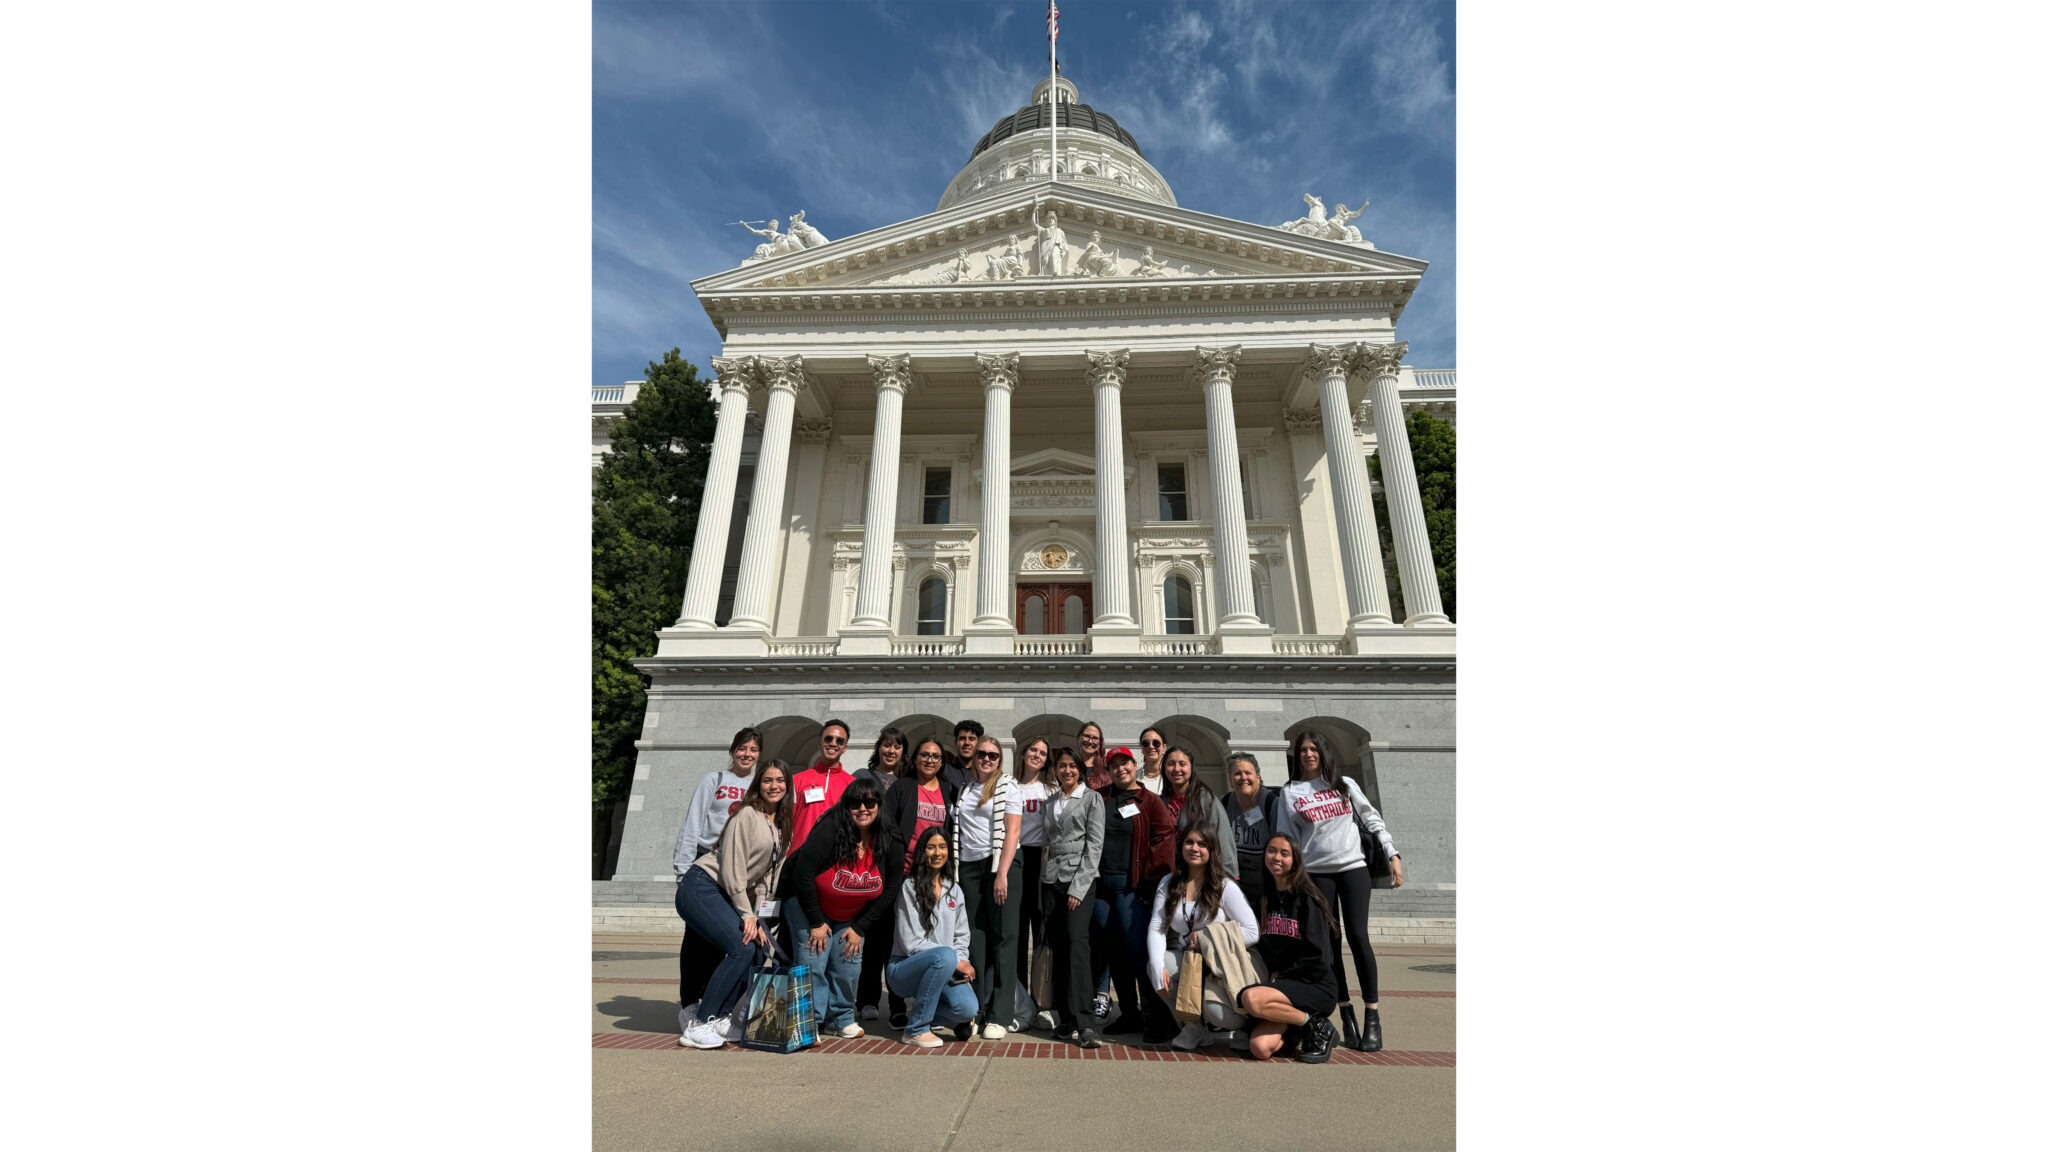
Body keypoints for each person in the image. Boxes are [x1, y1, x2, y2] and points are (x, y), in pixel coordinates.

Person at [1280, 728, 1405, 1052]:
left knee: (1359, 938)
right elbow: (1286, 837)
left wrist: (1392, 854)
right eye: (1303, 750)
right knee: (1329, 945)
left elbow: (1371, 818)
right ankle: (1345, 1012)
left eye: (1314, 748)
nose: (1308, 754)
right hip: (1316, 874)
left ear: (1323, 752)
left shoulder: (1344, 785)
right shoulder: (1291, 791)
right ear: (1297, 755)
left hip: (1353, 868)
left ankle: (1372, 1017)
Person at [673, 760, 792, 1049]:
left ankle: (721, 1019)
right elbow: (732, 868)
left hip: (726, 893)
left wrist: (760, 921)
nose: (773, 786)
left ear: (788, 785)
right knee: (740, 949)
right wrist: (746, 914)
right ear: (758, 785)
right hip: (702, 885)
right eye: (767, 780)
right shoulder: (747, 815)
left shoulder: (779, 825)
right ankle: (699, 1023)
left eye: (779, 780)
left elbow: (765, 880)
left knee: (755, 951)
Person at [779, 778, 905, 1038]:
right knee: (814, 960)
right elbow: (802, 875)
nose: (862, 808)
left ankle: (841, 1017)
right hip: (807, 902)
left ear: (880, 805)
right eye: (854, 802)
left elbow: (891, 888)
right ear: (845, 806)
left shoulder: (889, 838)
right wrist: (815, 922)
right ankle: (809, 1021)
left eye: (870, 802)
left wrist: (861, 927)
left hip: (850, 912)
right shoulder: (831, 830)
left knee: (849, 963)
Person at [671, 726, 761, 1021]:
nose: (747, 754)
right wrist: (683, 871)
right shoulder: (716, 779)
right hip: (705, 862)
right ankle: (689, 1002)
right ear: (733, 751)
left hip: (737, 873)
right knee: (696, 939)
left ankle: (709, 999)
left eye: (753, 750)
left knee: (724, 940)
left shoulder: (758, 787)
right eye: (742, 748)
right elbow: (693, 822)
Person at [1090, 745, 1177, 1043]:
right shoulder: (1100, 798)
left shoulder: (1149, 800)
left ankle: (1157, 1016)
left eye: (1124, 764)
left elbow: (1164, 837)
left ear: (1133, 765)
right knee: (1113, 950)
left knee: (1138, 951)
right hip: (1102, 887)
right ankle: (1130, 1012)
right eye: (1113, 766)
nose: (1119, 769)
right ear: (1108, 769)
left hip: (1132, 887)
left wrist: (1150, 878)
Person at [1146, 824, 1260, 1050]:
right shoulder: (1169, 882)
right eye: (1189, 842)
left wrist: (1207, 939)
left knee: (1216, 1012)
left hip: (1223, 964)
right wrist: (1158, 966)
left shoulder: (1224, 885)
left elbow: (1252, 931)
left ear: (1212, 850)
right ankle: (1193, 1027)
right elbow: (1157, 927)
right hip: (1189, 961)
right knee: (1157, 966)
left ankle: (1243, 1026)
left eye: (1202, 844)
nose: (1194, 848)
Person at [1239, 832, 1342, 1063]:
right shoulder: (1263, 899)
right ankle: (1303, 1026)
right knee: (1260, 1048)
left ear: (1295, 859)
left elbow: (1320, 956)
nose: (1276, 857)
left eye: (1284, 853)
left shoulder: (1308, 898)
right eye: (1272, 851)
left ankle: (1317, 1024)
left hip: (1314, 984)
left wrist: (1281, 977)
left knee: (1252, 999)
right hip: (1282, 988)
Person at [879, 736, 959, 1028]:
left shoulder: (950, 791)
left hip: (936, 872)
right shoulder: (902, 787)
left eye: (936, 756)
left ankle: (931, 1001)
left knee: (935, 934)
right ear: (915, 759)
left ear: (942, 762)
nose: (930, 760)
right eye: (924, 755)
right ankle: (897, 1005)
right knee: (899, 939)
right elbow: (887, 827)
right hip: (905, 873)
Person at [956, 736, 1024, 1038]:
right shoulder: (965, 789)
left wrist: (1002, 873)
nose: (987, 759)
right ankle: (975, 1009)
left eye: (993, 755)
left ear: (1000, 760)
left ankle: (1001, 1013)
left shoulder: (1009, 786)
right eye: (982, 754)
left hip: (1001, 865)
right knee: (974, 938)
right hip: (969, 867)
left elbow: (1013, 831)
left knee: (1004, 939)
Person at [888, 827, 980, 1046]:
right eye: (931, 847)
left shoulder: (954, 889)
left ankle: (922, 1014)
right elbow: (911, 943)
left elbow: (961, 935)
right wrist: (953, 959)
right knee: (946, 956)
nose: (937, 853)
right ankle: (915, 1029)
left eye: (942, 847)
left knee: (968, 1008)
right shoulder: (909, 887)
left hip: (945, 967)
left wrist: (959, 960)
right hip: (903, 968)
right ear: (922, 852)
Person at [1039, 746, 1104, 1048]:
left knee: (1077, 946)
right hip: (1051, 880)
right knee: (1059, 947)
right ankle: (1066, 1017)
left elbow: (1094, 846)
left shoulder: (1091, 798)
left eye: (1072, 766)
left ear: (1081, 769)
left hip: (1079, 880)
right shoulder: (1050, 801)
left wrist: (1079, 888)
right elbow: (1046, 842)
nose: (1067, 771)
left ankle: (1085, 1021)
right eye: (1061, 766)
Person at [853, 726, 910, 1020]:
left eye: (897, 747)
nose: (892, 751)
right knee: (872, 935)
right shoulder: (862, 778)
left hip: (896, 862)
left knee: (897, 937)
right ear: (879, 748)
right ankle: (867, 1000)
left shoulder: (906, 781)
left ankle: (898, 1004)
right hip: (866, 861)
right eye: (887, 746)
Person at [1011, 736, 1055, 1029]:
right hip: (1014, 859)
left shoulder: (1050, 790)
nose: (1037, 755)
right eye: (1033, 750)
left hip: (1042, 860)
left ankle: (1043, 1003)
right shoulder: (1009, 786)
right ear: (1023, 753)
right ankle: (1017, 1003)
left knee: (1041, 933)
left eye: (1042, 753)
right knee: (1015, 933)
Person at [1159, 745, 1237, 879]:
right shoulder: (1161, 801)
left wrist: (1228, 875)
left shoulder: (1207, 800)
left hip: (1202, 875)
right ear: (1164, 769)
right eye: (1171, 764)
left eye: (1182, 764)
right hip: (1168, 875)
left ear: (1191, 768)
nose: (1177, 769)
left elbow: (1223, 838)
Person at [789, 719, 856, 852]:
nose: (833, 744)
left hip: (835, 860)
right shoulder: (797, 780)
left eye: (839, 741)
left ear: (844, 748)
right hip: (800, 857)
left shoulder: (852, 784)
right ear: (819, 744)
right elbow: (786, 822)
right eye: (828, 739)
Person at [1223, 752, 1286, 882]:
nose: (1243, 777)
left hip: (1266, 879)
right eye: (1237, 774)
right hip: (1236, 879)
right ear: (1230, 780)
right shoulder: (1224, 804)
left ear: (1257, 777)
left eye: (1248, 773)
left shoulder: (1272, 804)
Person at [944, 719, 983, 791]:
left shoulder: (985, 772)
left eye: (971, 739)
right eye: (962, 738)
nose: (967, 743)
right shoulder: (943, 771)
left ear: (979, 743)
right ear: (955, 743)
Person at [1076, 720, 1110, 790]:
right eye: (1086, 736)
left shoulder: (1107, 769)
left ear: (1100, 743)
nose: (1090, 741)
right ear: (1079, 737)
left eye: (1095, 738)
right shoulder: (1070, 767)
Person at [1136, 727, 1168, 794]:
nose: (1150, 746)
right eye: (1145, 743)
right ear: (1141, 748)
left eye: (1156, 743)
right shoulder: (1134, 777)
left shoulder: (1171, 776)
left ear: (1164, 748)